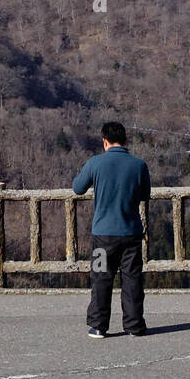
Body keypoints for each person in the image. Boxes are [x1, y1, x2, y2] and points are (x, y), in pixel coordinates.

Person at [72, 121, 151, 339]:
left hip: (102, 234)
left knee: (100, 277)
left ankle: (99, 325)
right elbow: (145, 194)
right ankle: (134, 325)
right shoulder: (139, 165)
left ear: (104, 142)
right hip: (131, 233)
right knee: (132, 279)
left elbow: (78, 188)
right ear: (126, 141)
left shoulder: (95, 163)